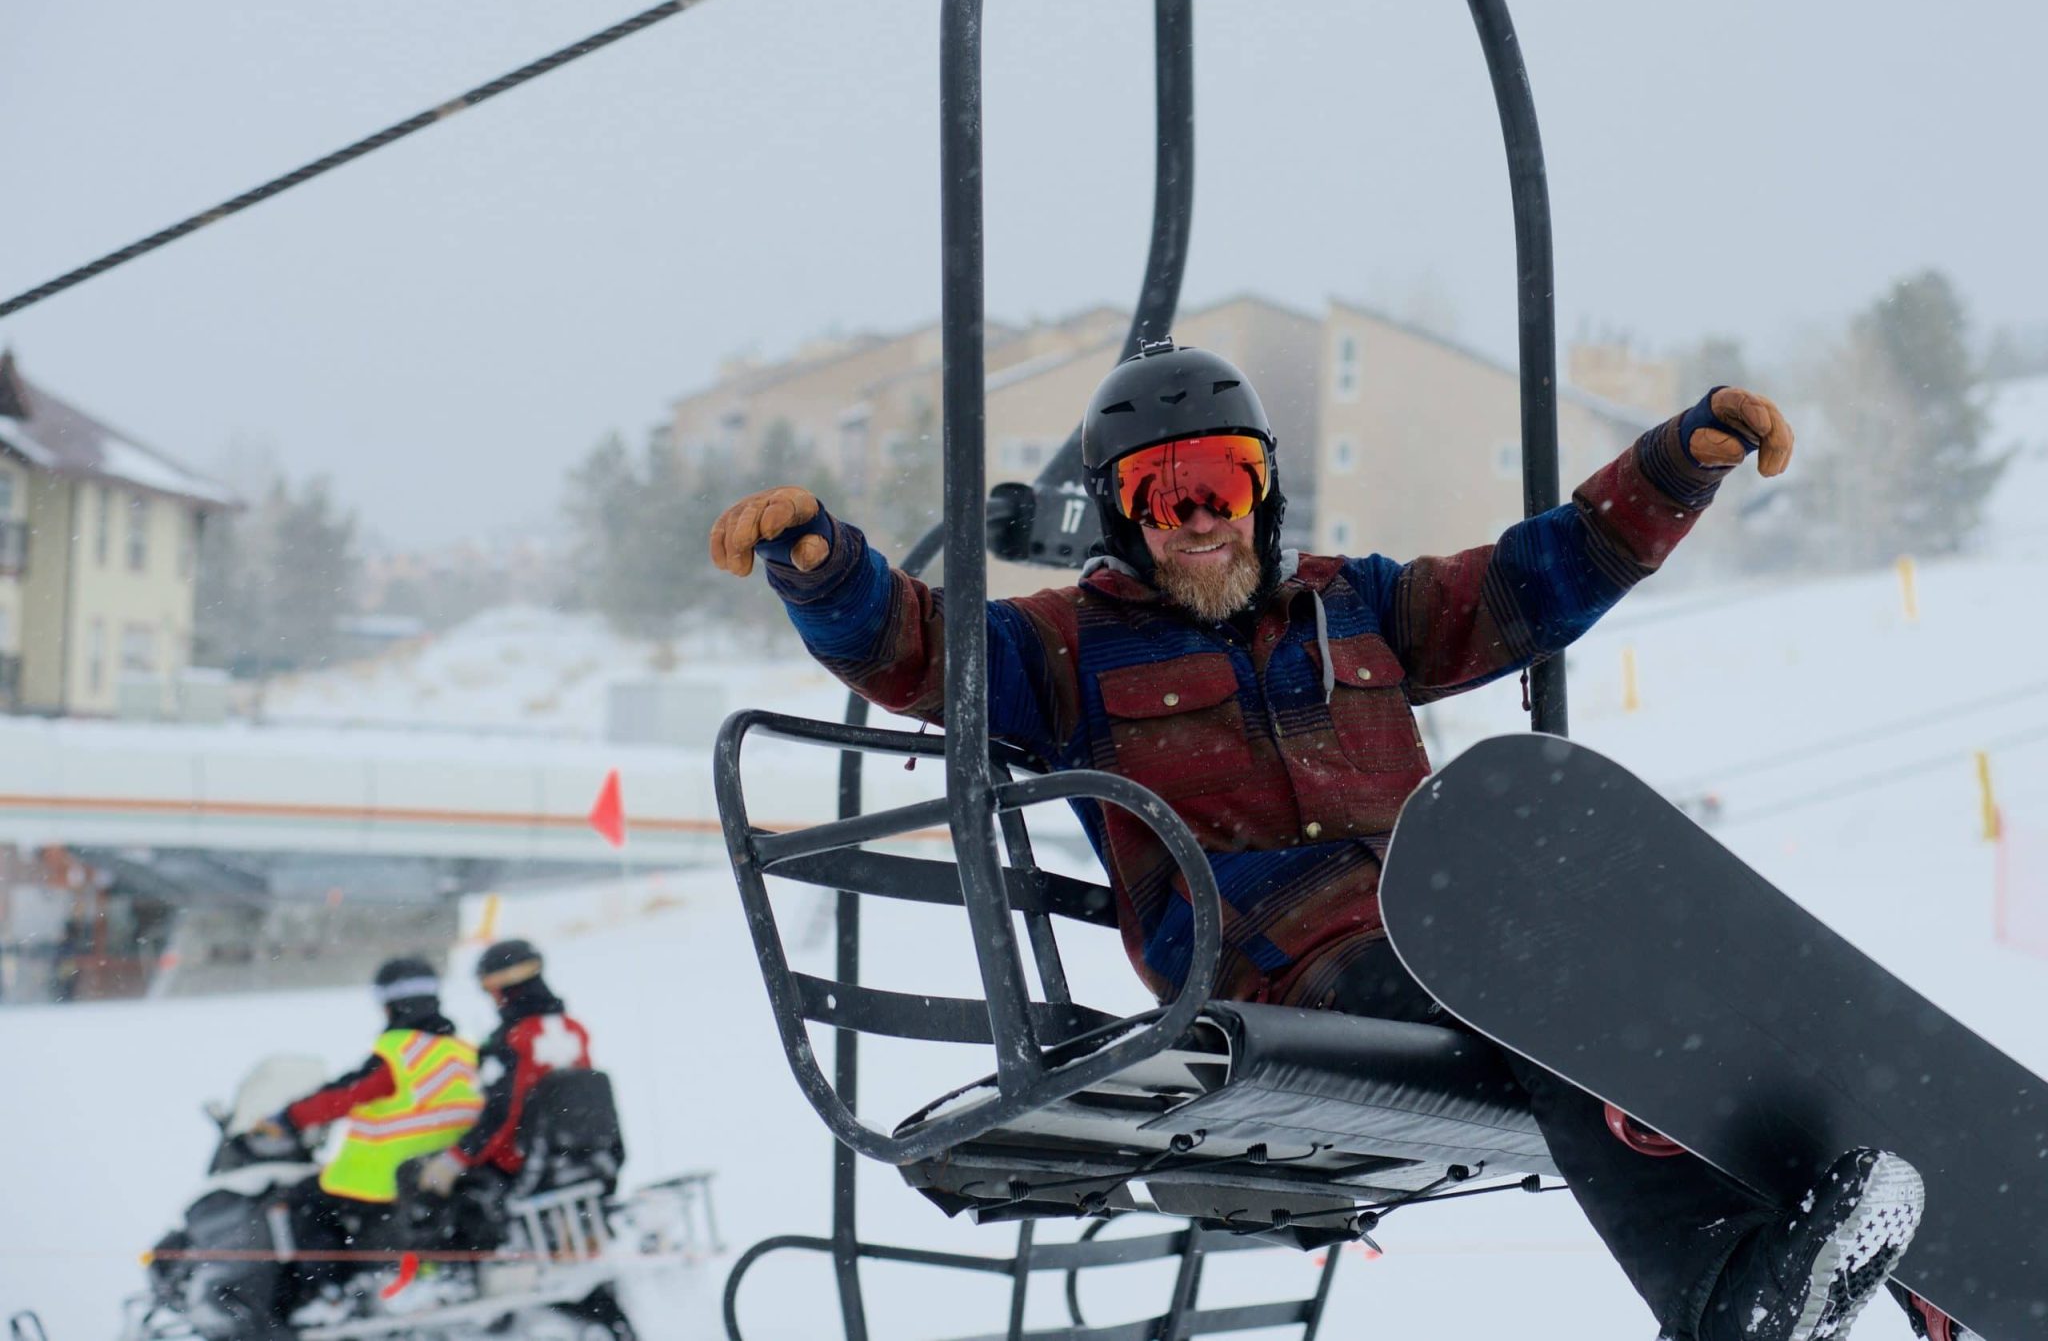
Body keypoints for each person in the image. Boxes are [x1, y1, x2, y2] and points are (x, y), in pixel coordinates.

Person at [708, 340, 1959, 1341]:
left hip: (1451, 926)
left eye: (1222, 482)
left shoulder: (1353, 604)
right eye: (1163, 491)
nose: (1200, 517)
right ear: (1119, 511)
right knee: (1541, 981)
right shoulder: (1062, 647)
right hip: (1293, 966)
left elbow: (1532, 580)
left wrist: (1676, 465)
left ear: (1262, 490)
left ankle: (1905, 1270)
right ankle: (1712, 1294)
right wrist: (821, 565)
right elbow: (921, 647)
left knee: (1680, 986)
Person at [254, 958, 482, 1285]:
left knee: (302, 1202)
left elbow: (346, 1093)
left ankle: (327, 1293)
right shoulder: (460, 1050)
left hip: (390, 1174)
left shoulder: (399, 1054)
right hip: (438, 1170)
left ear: (388, 1004)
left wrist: (288, 1118)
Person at [413, 939, 595, 1216]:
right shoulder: (573, 1029)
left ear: (499, 990)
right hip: (578, 1156)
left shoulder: (513, 1039)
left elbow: (503, 1112)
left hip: (519, 1166)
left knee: (421, 1186)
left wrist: (456, 1158)